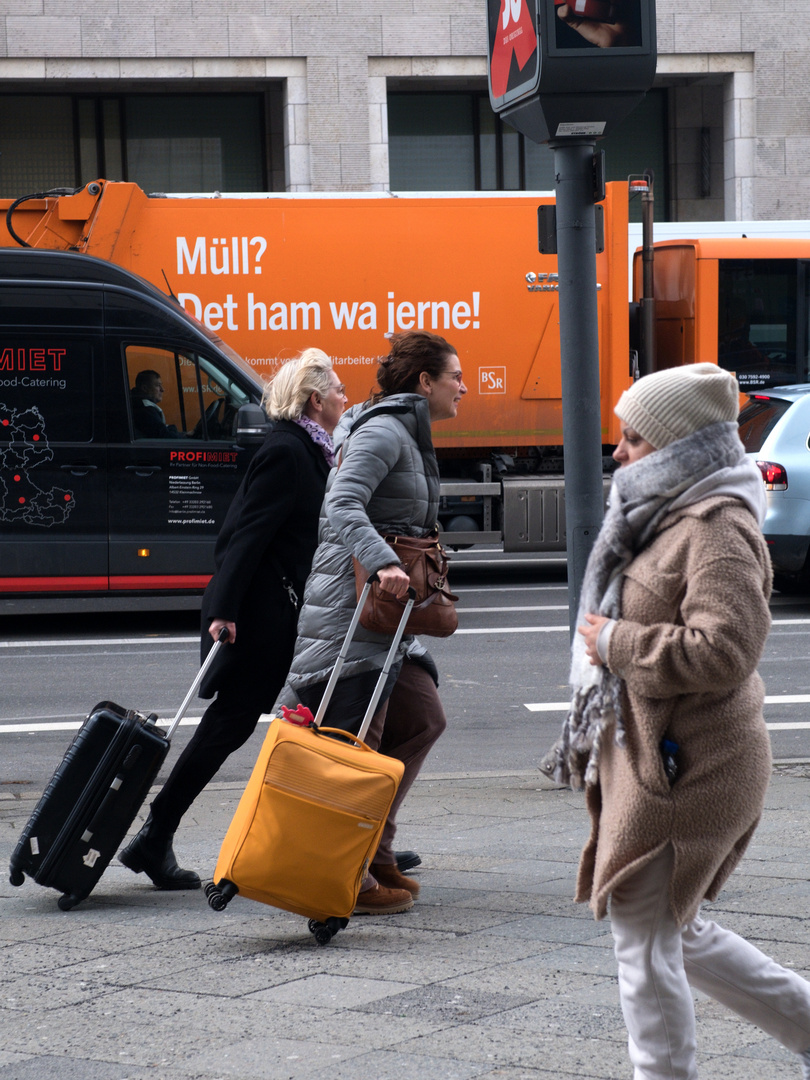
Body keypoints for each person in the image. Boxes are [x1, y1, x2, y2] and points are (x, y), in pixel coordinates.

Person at [541, 362, 810, 1079]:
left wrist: (616, 643)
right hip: (663, 757)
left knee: (644, 939)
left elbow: (726, 648)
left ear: (680, 448)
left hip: (690, 767)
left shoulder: (718, 526)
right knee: (673, 931)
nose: (619, 453)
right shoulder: (661, 513)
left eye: (634, 440)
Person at [119, 349, 347, 888]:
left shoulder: (312, 451)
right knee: (232, 726)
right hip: (263, 617)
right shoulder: (287, 452)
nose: (346, 397)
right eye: (337, 390)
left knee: (280, 721)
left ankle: (351, 846)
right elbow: (244, 533)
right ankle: (156, 835)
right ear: (316, 400)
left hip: (282, 614)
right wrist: (223, 609)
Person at [275, 329, 467, 915]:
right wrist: (385, 562)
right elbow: (342, 503)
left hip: (385, 623)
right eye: (454, 375)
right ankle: (346, 876)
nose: (463, 385)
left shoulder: (405, 432)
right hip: (349, 618)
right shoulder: (385, 431)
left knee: (422, 718)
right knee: (359, 744)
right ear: (424, 381)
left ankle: (377, 850)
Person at [130, 369, 180, 438]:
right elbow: (166, 437)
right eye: (158, 385)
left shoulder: (137, 404)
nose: (162, 389)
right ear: (145, 388)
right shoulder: (145, 410)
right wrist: (173, 428)